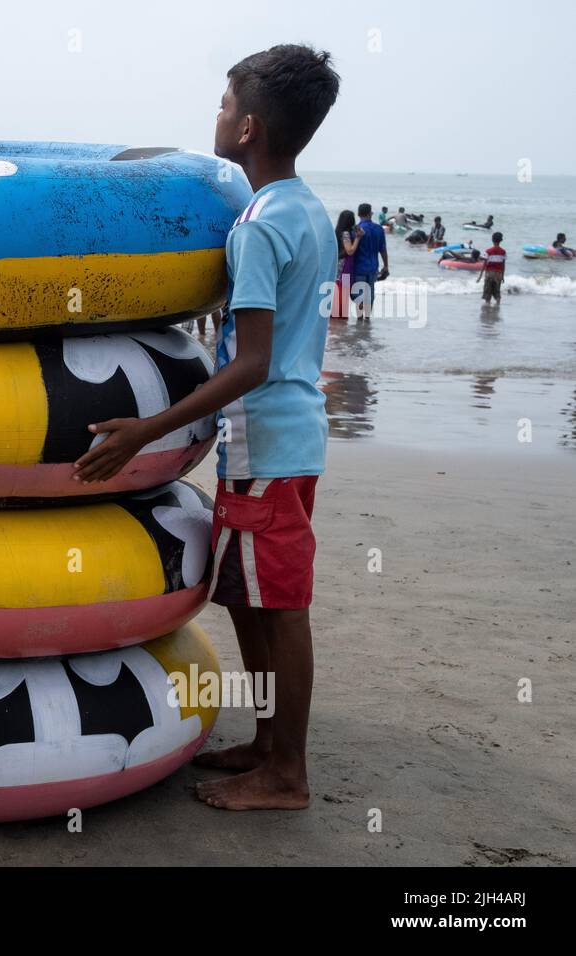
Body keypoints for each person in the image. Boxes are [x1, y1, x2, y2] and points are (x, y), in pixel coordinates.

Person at [73, 44, 340, 811]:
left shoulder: (257, 226)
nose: (217, 117)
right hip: (284, 440)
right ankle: (266, 744)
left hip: (269, 440)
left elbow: (250, 361)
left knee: (279, 607)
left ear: (250, 127)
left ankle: (287, 773)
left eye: (225, 106)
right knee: (252, 600)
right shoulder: (304, 208)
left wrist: (147, 427)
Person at [351, 203, 388, 321]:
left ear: (358, 214)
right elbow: (383, 249)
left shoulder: (356, 230)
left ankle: (359, 317)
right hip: (373, 267)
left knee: (359, 293)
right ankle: (367, 318)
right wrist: (386, 266)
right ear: (370, 213)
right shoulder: (379, 229)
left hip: (359, 267)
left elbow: (352, 250)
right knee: (370, 292)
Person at [333, 210, 359, 320]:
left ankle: (335, 322)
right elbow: (350, 251)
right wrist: (358, 238)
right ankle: (340, 322)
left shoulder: (337, 232)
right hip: (345, 266)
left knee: (337, 292)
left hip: (338, 265)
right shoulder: (346, 234)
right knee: (343, 291)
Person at [477, 231, 505, 304]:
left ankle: (487, 307)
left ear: (492, 240)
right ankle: (497, 306)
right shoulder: (503, 252)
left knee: (487, 293)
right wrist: (502, 276)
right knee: (497, 292)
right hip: (498, 274)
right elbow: (503, 265)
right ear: (501, 241)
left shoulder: (488, 251)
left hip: (489, 273)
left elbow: (484, 264)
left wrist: (480, 276)